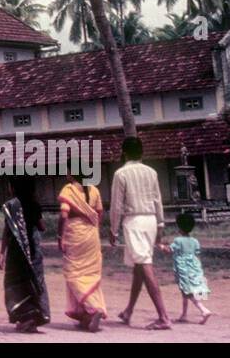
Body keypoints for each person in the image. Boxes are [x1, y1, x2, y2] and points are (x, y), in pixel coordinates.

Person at [109, 137, 172, 330]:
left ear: (124, 152)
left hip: (134, 221)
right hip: (150, 219)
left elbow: (116, 205)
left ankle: (163, 317)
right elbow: (157, 200)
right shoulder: (151, 172)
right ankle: (128, 311)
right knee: (139, 266)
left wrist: (113, 229)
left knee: (144, 264)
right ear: (142, 152)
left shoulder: (121, 173)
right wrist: (160, 225)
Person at [0, 174, 50, 332]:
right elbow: (42, 227)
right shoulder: (34, 204)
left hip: (16, 252)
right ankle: (35, 317)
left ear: (14, 187)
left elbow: (7, 231)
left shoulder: (11, 206)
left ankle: (24, 317)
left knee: (15, 284)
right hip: (33, 252)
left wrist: (2, 253)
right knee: (35, 282)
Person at [57, 172, 107, 331]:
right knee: (89, 274)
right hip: (91, 236)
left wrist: (60, 236)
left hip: (75, 234)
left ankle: (94, 308)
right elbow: (100, 213)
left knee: (73, 275)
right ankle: (85, 316)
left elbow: (64, 216)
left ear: (71, 174)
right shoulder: (94, 190)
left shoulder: (68, 190)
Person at [164, 212, 213, 324]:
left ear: (179, 227)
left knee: (187, 292)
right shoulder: (195, 241)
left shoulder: (178, 240)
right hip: (194, 267)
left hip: (183, 269)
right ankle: (184, 315)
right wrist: (199, 270)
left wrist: (160, 246)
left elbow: (168, 250)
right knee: (185, 291)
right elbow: (197, 255)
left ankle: (203, 310)